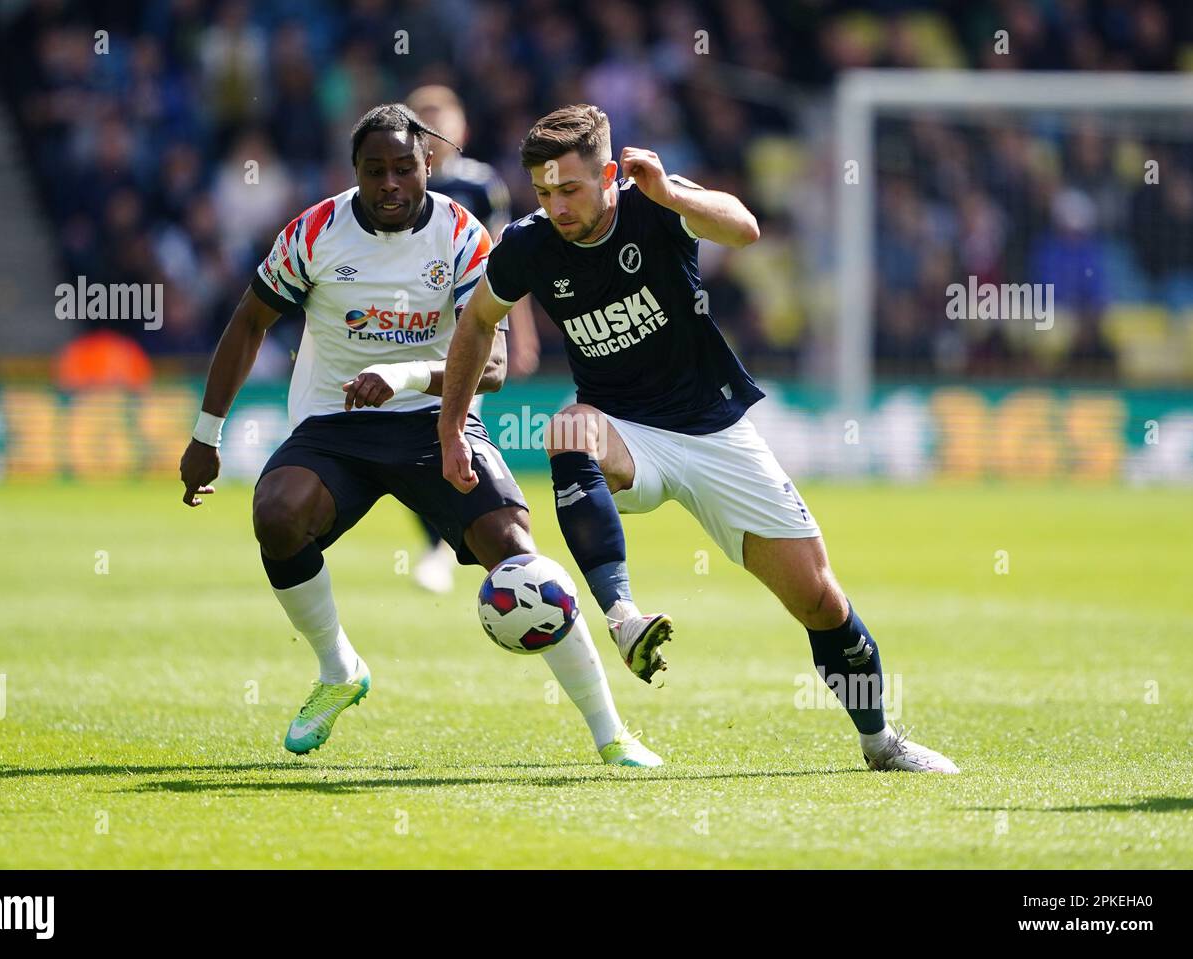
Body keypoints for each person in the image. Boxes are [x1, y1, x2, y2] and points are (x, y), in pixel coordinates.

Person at [439, 104, 958, 772]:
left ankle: (880, 741)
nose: (556, 205)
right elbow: (477, 322)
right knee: (567, 426)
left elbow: (744, 229)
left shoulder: (654, 205)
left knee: (821, 600)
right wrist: (452, 426)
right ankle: (623, 615)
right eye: (544, 192)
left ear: (606, 175)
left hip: (715, 431)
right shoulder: (529, 245)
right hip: (625, 432)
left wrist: (672, 191)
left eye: (569, 189)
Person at [179, 104, 660, 766]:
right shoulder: (314, 231)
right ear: (356, 173)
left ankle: (612, 735)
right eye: (375, 171)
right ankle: (337, 668)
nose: (391, 184)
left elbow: (489, 368)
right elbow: (248, 320)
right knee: (278, 513)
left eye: (404, 168)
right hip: (335, 428)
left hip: (439, 424)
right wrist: (207, 434)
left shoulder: (462, 235)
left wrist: (402, 375)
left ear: (427, 166)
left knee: (520, 557)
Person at [401, 84, 541, 595]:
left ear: (460, 130)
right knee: (415, 432)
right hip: (407, 329)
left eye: (443, 118)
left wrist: (518, 333)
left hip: (469, 329)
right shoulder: (399, 188)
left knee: (456, 423)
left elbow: (507, 266)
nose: (434, 129)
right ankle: (457, 539)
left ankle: (466, 539)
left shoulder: (482, 187)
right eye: (424, 118)